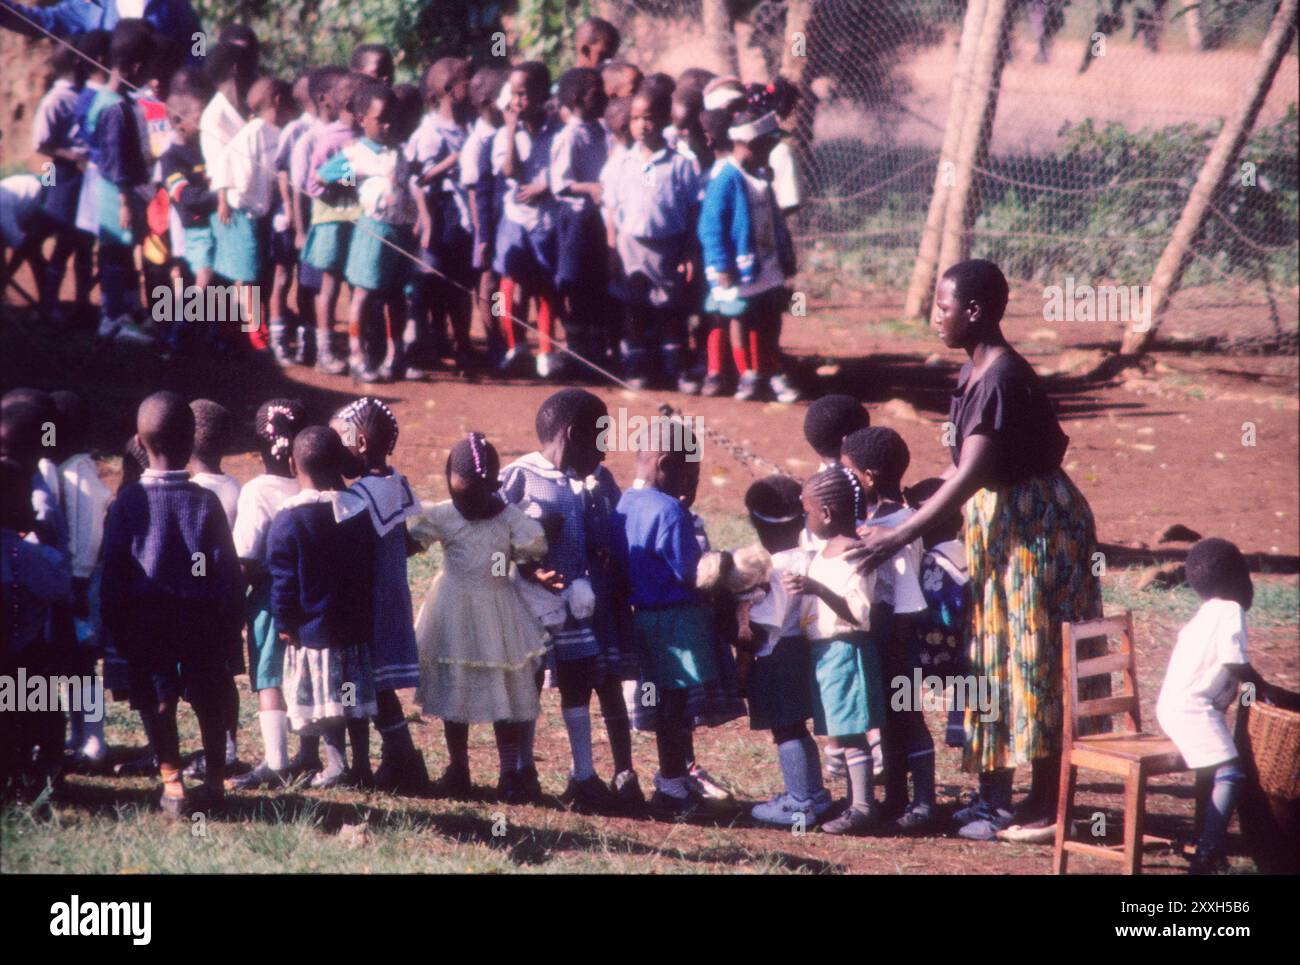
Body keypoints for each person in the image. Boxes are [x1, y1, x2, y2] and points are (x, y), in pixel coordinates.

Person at [848, 258, 1103, 839]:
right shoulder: (979, 372)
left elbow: (972, 474)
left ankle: (1048, 807)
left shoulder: (998, 378)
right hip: (1011, 522)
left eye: (942, 307)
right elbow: (963, 468)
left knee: (1037, 659)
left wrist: (902, 533)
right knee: (1012, 657)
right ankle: (1015, 799)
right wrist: (908, 507)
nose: (933, 316)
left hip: (1036, 529)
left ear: (974, 311)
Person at [100, 391, 244, 817]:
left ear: (140, 446)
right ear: (191, 443)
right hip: (200, 618)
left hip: (148, 621)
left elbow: (116, 570)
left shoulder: (127, 503)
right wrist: (229, 617)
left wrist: (115, 625)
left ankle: (173, 783)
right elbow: (220, 566)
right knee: (209, 698)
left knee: (159, 701)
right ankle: (215, 781)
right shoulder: (205, 501)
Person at [410, 432, 550, 801]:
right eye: (462, 495)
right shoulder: (442, 515)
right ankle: (459, 769)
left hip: (496, 609)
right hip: (452, 612)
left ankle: (508, 773)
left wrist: (534, 568)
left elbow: (527, 552)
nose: (469, 503)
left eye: (478, 493)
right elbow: (412, 542)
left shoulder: (507, 519)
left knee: (503, 687)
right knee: (456, 685)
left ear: (493, 487)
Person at [498, 389, 619, 811]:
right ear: (571, 435)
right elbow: (495, 531)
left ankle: (582, 775)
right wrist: (527, 567)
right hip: (528, 603)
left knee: (578, 676)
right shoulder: (519, 476)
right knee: (526, 682)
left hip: (572, 603)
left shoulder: (578, 483)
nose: (604, 452)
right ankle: (520, 770)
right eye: (600, 439)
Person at [1156, 538, 1300, 873]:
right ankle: (1206, 856)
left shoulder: (1207, 612)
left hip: (1179, 705)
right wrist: (1261, 687)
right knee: (1232, 774)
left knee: (1211, 775)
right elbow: (1233, 661)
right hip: (1192, 708)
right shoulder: (1230, 610)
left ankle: (1204, 843)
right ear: (1237, 581)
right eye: (1248, 577)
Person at [611, 416, 726, 819]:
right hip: (677, 621)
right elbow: (689, 572)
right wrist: (722, 568)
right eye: (689, 473)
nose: (691, 484)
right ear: (664, 463)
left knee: (662, 704)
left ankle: (672, 781)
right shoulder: (670, 512)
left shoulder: (623, 504)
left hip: (642, 618)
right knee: (676, 707)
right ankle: (673, 785)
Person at [267, 426, 377, 789]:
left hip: (315, 632)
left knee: (330, 702)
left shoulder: (289, 519)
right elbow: (369, 568)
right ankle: (361, 763)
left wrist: (285, 621)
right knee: (352, 699)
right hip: (355, 628)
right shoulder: (357, 512)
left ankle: (337, 764)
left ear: (292, 464)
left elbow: (283, 580)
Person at [330, 398, 427, 792]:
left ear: (363, 443)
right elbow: (407, 540)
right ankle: (401, 757)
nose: (335, 448)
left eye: (341, 440)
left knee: (365, 682)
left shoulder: (359, 497)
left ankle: (394, 760)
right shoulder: (395, 482)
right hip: (393, 596)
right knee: (380, 687)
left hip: (368, 604)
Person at [841, 426, 935, 832]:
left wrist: (895, 644)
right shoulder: (885, 521)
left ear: (869, 477)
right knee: (889, 718)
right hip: (882, 635)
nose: (845, 478)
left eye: (849, 471)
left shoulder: (898, 528)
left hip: (898, 635)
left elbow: (907, 596)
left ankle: (925, 802)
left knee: (907, 715)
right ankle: (897, 795)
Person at [784, 468, 884, 835]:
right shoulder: (822, 552)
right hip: (824, 652)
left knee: (851, 731)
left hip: (845, 649)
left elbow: (858, 613)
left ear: (825, 513)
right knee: (839, 731)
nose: (805, 519)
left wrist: (817, 588)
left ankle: (862, 807)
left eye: (807, 512)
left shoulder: (856, 554)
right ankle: (857, 802)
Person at [316, 82, 427, 383]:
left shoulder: (398, 150)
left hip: (401, 230)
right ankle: (357, 356)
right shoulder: (355, 153)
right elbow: (323, 176)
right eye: (380, 119)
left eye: (392, 118)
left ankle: (396, 356)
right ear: (363, 118)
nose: (388, 124)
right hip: (373, 229)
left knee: (397, 296)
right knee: (363, 294)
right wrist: (355, 177)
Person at [740, 474, 834, 828]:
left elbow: (764, 622)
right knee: (797, 728)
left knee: (786, 731)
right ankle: (814, 793)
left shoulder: (775, 569)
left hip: (775, 655)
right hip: (800, 650)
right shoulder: (808, 558)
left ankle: (799, 803)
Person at [228, 399, 311, 790]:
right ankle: (310, 755)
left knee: (269, 676)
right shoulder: (314, 483)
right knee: (304, 672)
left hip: (270, 599)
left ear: (258, 448)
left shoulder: (258, 491)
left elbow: (244, 555)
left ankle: (276, 760)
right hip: (313, 595)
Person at [698, 92, 799, 403]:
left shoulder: (760, 176)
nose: (771, 150)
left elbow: (775, 220)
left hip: (765, 264)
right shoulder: (725, 180)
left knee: (770, 317)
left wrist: (785, 256)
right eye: (767, 145)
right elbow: (710, 228)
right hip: (737, 268)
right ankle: (747, 376)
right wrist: (721, 264)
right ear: (748, 144)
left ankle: (770, 372)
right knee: (739, 317)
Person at [600, 84, 701, 392]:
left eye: (649, 118)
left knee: (670, 308)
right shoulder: (621, 163)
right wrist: (612, 247)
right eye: (635, 118)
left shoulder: (680, 164)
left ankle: (676, 367)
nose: (641, 125)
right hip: (630, 246)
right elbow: (610, 207)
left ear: (664, 119)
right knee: (634, 308)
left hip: (669, 246)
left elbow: (692, 210)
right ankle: (637, 367)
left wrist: (689, 252)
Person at [86, 18, 157, 344]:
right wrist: (127, 201)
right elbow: (114, 160)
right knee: (114, 254)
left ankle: (127, 313)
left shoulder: (105, 99)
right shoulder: (115, 108)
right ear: (137, 67)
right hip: (116, 194)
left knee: (123, 255)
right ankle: (112, 319)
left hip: (112, 191)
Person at [50, 391, 111, 766]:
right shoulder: (70, 468)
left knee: (80, 664)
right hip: (72, 584)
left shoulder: (76, 472)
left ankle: (92, 739)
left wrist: (77, 580)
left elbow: (87, 534)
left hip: (79, 587)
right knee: (73, 664)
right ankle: (79, 735)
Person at [212, 75, 294, 348]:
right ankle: (254, 332)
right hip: (239, 211)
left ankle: (250, 327)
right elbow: (224, 162)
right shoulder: (254, 130)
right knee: (246, 274)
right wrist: (223, 198)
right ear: (279, 102)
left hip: (259, 214)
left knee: (254, 271)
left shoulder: (277, 133)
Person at [492, 61, 562, 377]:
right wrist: (510, 130)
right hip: (516, 216)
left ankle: (545, 350)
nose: (519, 102)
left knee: (545, 285)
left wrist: (545, 186)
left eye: (525, 94)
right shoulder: (506, 132)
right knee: (510, 279)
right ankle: (515, 345)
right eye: (515, 94)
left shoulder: (559, 131)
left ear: (543, 95)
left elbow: (564, 172)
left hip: (547, 218)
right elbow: (510, 171)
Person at [406, 57, 474, 376]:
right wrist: (454, 161)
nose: (473, 87)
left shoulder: (468, 125)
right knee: (434, 281)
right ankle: (431, 342)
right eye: (467, 81)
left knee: (461, 284)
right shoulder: (431, 130)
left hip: (462, 215)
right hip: (441, 212)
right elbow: (418, 178)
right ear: (449, 90)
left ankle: (462, 344)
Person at [302, 70, 366, 375]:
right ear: (352, 105)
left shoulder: (367, 138)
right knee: (328, 286)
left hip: (360, 220)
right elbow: (312, 185)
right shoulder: (330, 139)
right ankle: (324, 351)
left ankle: (358, 349)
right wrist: (348, 177)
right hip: (332, 220)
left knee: (358, 283)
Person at [550, 66, 609, 373]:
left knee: (597, 280)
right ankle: (577, 350)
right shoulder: (569, 136)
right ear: (576, 98)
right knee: (575, 282)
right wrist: (591, 188)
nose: (603, 97)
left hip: (597, 218)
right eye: (595, 93)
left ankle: (596, 350)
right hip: (576, 219)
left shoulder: (599, 131)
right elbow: (560, 183)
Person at [32, 41, 93, 320]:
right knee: (65, 239)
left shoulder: (85, 94)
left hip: (86, 175)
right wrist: (73, 156)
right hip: (65, 175)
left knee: (85, 242)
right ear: (77, 65)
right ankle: (48, 304)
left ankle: (82, 303)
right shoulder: (56, 98)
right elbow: (42, 143)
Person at [460, 64, 507, 366]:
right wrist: (483, 235)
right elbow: (475, 193)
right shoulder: (476, 144)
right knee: (487, 282)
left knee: (501, 281)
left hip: (504, 219)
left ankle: (505, 339)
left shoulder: (502, 133)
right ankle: (494, 342)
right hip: (485, 224)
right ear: (487, 104)